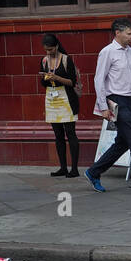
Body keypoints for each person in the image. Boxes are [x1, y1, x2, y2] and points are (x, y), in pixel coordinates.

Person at [85, 18, 131, 196]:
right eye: (129, 33)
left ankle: (94, 172)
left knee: (122, 143)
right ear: (117, 33)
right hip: (116, 101)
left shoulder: (129, 51)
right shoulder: (107, 52)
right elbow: (99, 80)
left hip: (129, 100)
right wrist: (103, 106)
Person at [38, 33, 79, 178]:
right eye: (46, 50)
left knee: (70, 132)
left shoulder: (66, 59)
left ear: (56, 46)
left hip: (66, 98)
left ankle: (74, 168)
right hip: (51, 97)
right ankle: (63, 167)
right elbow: (43, 84)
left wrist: (57, 78)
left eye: (50, 49)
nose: (48, 52)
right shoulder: (44, 61)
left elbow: (72, 82)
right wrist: (44, 78)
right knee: (58, 135)